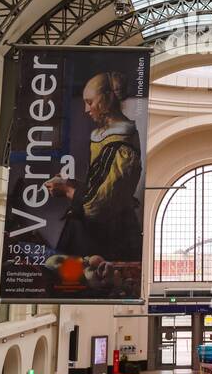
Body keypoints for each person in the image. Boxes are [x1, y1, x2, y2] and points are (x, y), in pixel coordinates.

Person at [46, 72, 143, 286]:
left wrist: (66, 191)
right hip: (93, 234)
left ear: (107, 99)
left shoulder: (121, 145)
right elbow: (100, 184)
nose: (86, 109)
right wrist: (72, 184)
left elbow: (99, 205)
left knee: (79, 283)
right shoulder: (105, 136)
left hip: (106, 238)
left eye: (90, 102)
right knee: (62, 276)